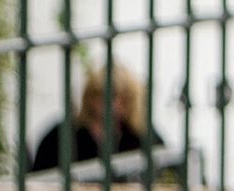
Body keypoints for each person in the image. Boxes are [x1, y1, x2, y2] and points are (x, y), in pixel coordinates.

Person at [27, 60, 166, 178]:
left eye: (122, 98)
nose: (114, 105)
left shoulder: (142, 135)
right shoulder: (60, 136)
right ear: (90, 97)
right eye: (105, 96)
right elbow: (39, 181)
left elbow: (168, 173)